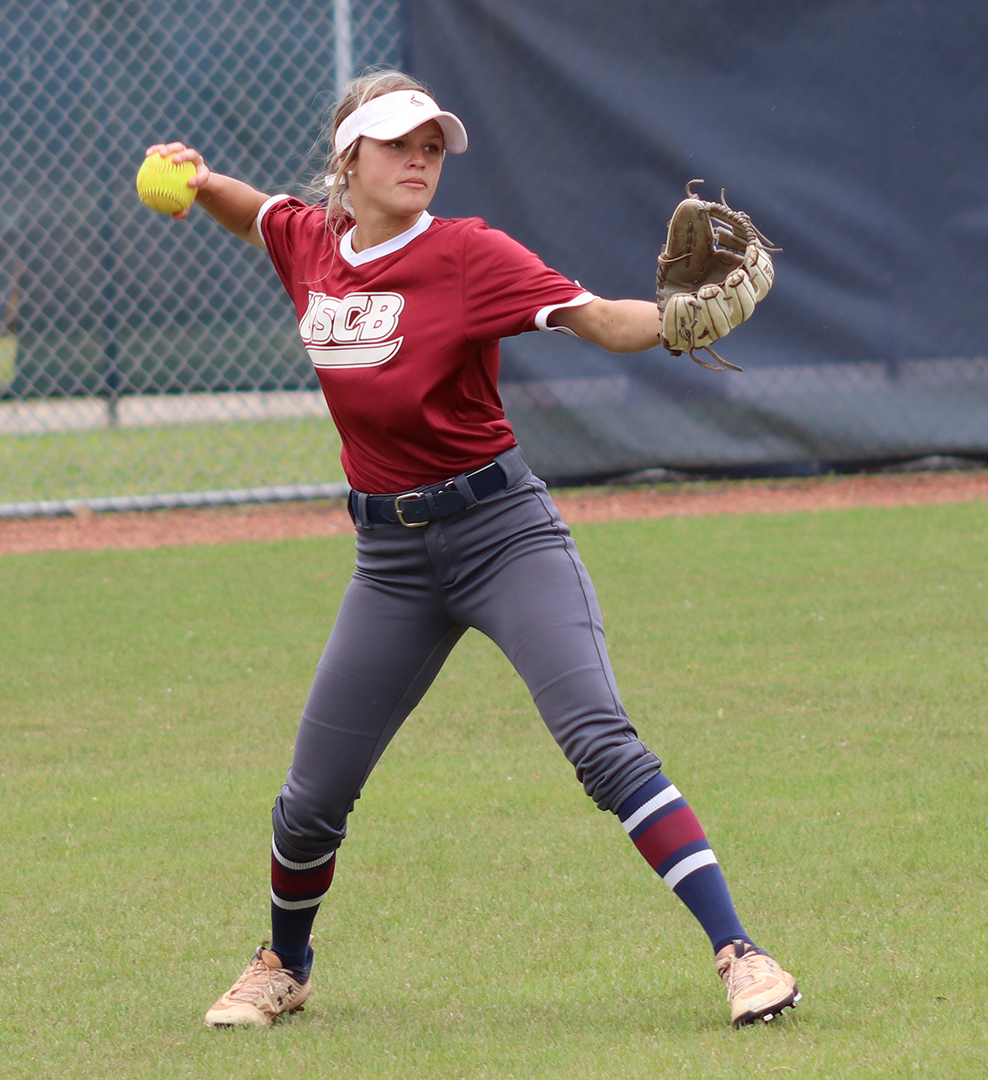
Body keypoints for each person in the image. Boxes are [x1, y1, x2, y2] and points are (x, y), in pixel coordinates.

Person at [147, 69, 799, 1030]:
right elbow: (260, 217)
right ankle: (283, 964)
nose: (421, 159)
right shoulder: (310, 244)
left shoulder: (466, 256)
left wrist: (671, 321)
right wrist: (198, 182)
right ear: (349, 158)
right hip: (392, 566)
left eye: (432, 145)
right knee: (311, 796)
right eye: (399, 143)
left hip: (503, 537)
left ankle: (741, 953)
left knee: (599, 745)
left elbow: (599, 320)